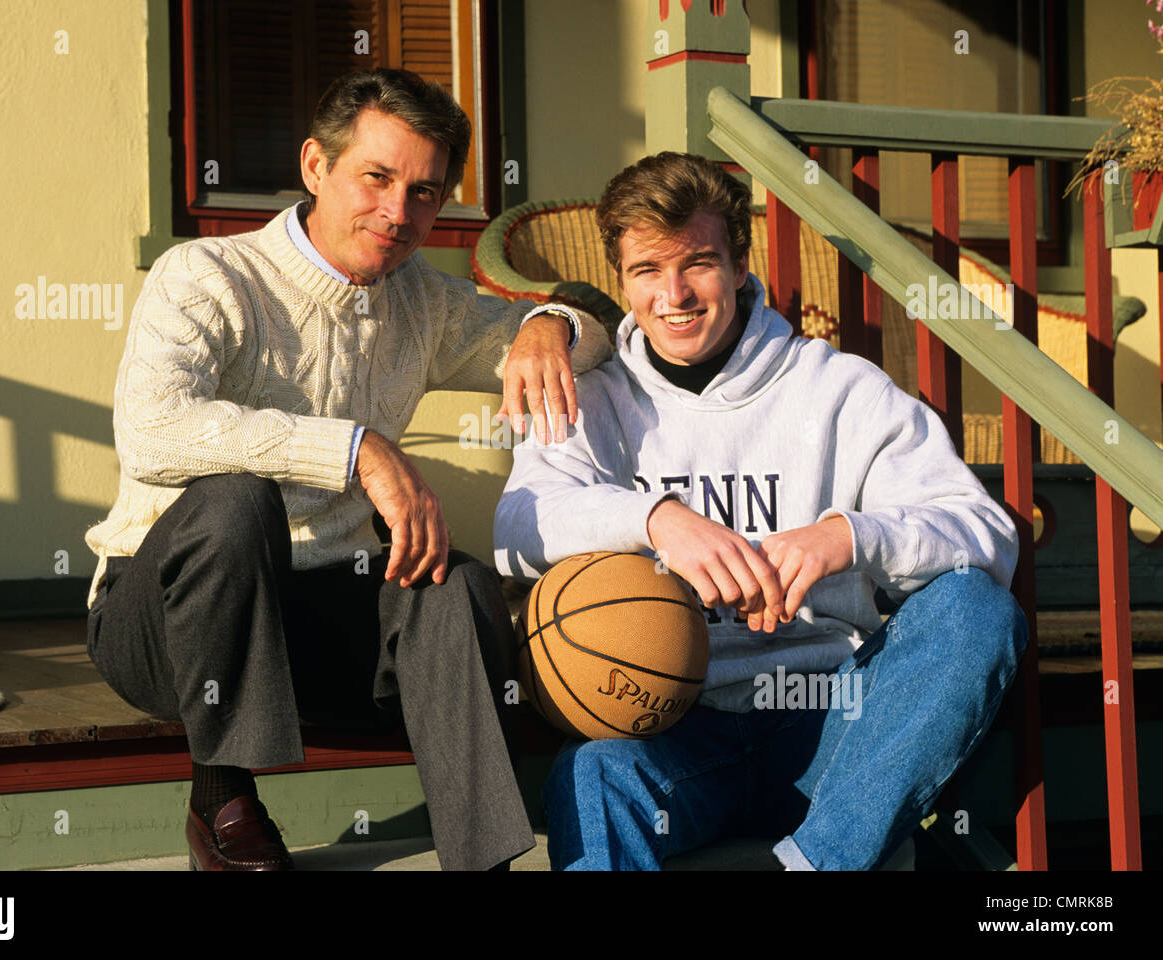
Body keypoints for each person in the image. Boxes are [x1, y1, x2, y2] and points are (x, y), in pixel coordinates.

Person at [83, 68, 610, 871]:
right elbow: (152, 431)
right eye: (377, 177)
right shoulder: (205, 274)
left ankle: (484, 856)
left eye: (427, 193)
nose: (400, 213)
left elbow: (596, 339)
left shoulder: (422, 302)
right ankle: (218, 795)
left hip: (318, 632)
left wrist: (548, 323)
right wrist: (355, 448)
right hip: (161, 625)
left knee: (455, 585)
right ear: (315, 167)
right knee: (233, 504)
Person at [492, 151, 1028, 871]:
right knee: (593, 775)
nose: (674, 294)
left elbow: (986, 534)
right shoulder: (594, 397)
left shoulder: (841, 389)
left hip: (834, 722)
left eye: (699, 264)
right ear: (621, 281)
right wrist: (658, 520)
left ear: (740, 264)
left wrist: (849, 536)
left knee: (976, 611)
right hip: (676, 727)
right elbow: (519, 526)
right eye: (647, 271)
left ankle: (817, 862)